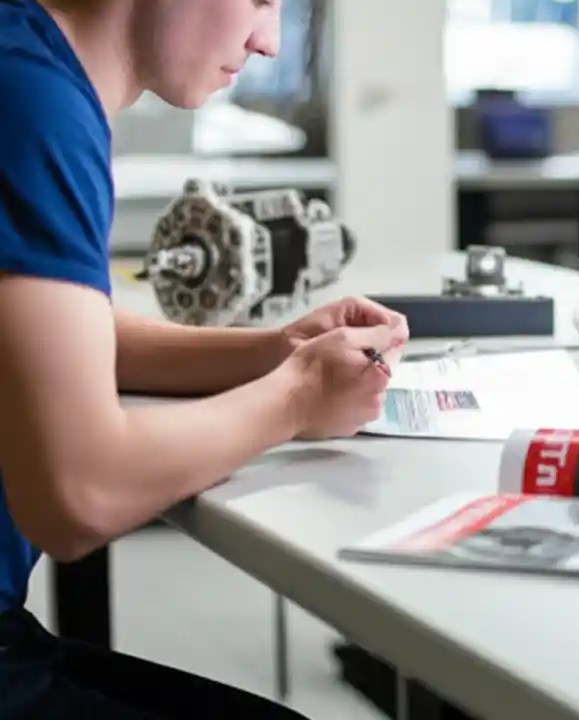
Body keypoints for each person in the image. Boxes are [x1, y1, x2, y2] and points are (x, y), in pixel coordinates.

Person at [0, 0, 409, 717]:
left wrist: (276, 353)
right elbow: (80, 492)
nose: (268, 41)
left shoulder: (20, 56)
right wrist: (295, 397)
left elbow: (50, 333)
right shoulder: (33, 103)